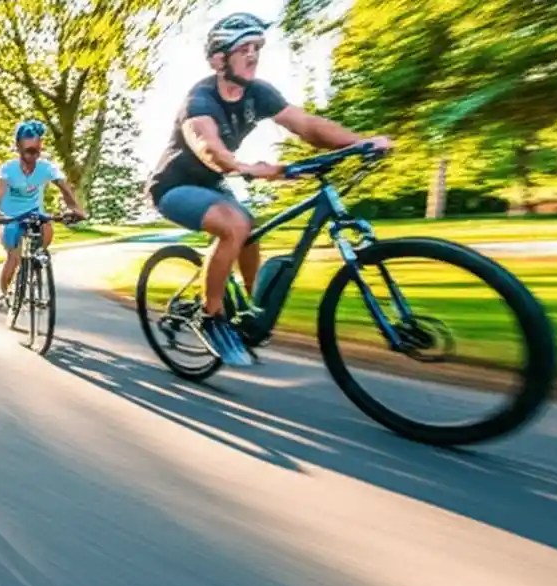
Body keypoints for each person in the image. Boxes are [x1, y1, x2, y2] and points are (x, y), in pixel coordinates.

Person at [145, 12, 392, 366]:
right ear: (219, 59)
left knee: (251, 229)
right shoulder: (199, 99)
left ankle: (250, 314)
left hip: (213, 185)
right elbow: (208, 148)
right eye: (243, 48)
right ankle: (211, 316)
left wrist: (360, 143)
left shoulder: (257, 93)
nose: (253, 55)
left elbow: (306, 124)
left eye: (257, 47)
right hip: (173, 186)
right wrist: (250, 169)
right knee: (235, 225)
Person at [0, 120, 88, 312]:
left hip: (35, 213)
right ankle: (5, 294)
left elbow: (65, 189)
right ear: (18, 148)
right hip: (10, 216)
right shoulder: (8, 170)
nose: (34, 156)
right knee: (13, 258)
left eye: (37, 151)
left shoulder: (46, 168)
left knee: (46, 230)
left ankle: (34, 267)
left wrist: (75, 208)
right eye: (29, 151)